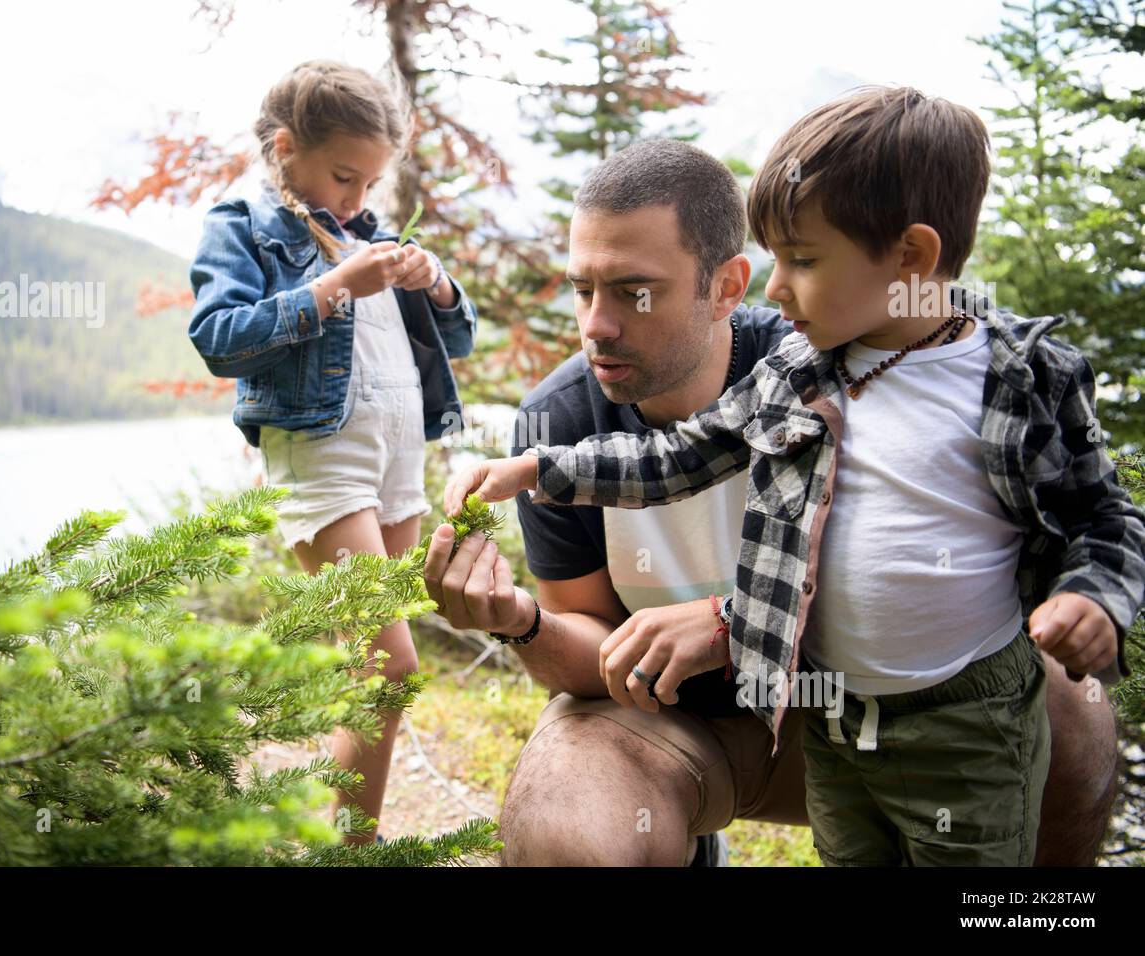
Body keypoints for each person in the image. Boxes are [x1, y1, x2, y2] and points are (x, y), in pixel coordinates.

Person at [438, 92, 1145, 865]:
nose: (597, 324)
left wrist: (1090, 596)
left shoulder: (958, 367)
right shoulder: (763, 378)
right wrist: (533, 539)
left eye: (634, 290)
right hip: (756, 730)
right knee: (587, 815)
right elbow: (672, 464)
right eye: (582, 289)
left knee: (1053, 734)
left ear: (726, 286)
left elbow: (1086, 519)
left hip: (924, 714)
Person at [188, 60, 478, 845]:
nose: (357, 200)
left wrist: (437, 283)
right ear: (285, 147)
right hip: (323, 451)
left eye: (370, 184)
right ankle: (353, 848)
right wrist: (332, 287)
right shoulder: (242, 222)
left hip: (397, 453)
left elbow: (458, 338)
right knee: (389, 664)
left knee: (367, 670)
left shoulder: (370, 233)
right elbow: (218, 340)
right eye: (345, 177)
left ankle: (355, 840)